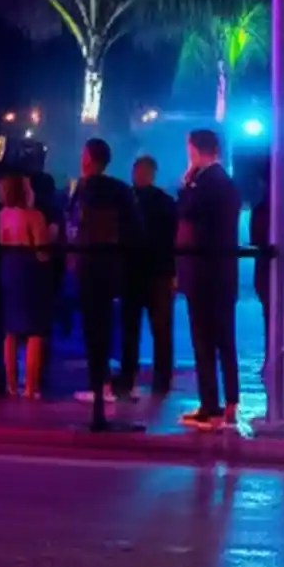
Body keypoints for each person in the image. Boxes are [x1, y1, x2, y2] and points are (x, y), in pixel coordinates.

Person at [67, 139, 140, 429]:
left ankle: (99, 387)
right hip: (112, 269)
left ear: (88, 159)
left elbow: (72, 226)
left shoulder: (83, 190)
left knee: (92, 329)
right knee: (109, 329)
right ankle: (106, 385)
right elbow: (135, 229)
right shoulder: (120, 190)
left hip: (89, 267)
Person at [177, 130, 242, 430]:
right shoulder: (227, 183)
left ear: (196, 150)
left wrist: (187, 183)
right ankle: (230, 400)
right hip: (223, 272)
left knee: (203, 341)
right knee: (225, 339)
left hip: (202, 272)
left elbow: (187, 212)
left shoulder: (203, 183)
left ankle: (210, 405)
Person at [120, 156, 177, 398]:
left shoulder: (127, 200)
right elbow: (175, 239)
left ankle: (128, 376)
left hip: (136, 272)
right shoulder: (166, 202)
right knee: (160, 330)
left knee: (132, 328)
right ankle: (161, 379)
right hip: (158, 272)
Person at [0, 172, 52, 399]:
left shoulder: (1, 215)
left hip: (8, 266)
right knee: (35, 331)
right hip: (29, 269)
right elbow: (42, 251)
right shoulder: (34, 216)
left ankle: (10, 385)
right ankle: (31, 387)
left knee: (10, 330)